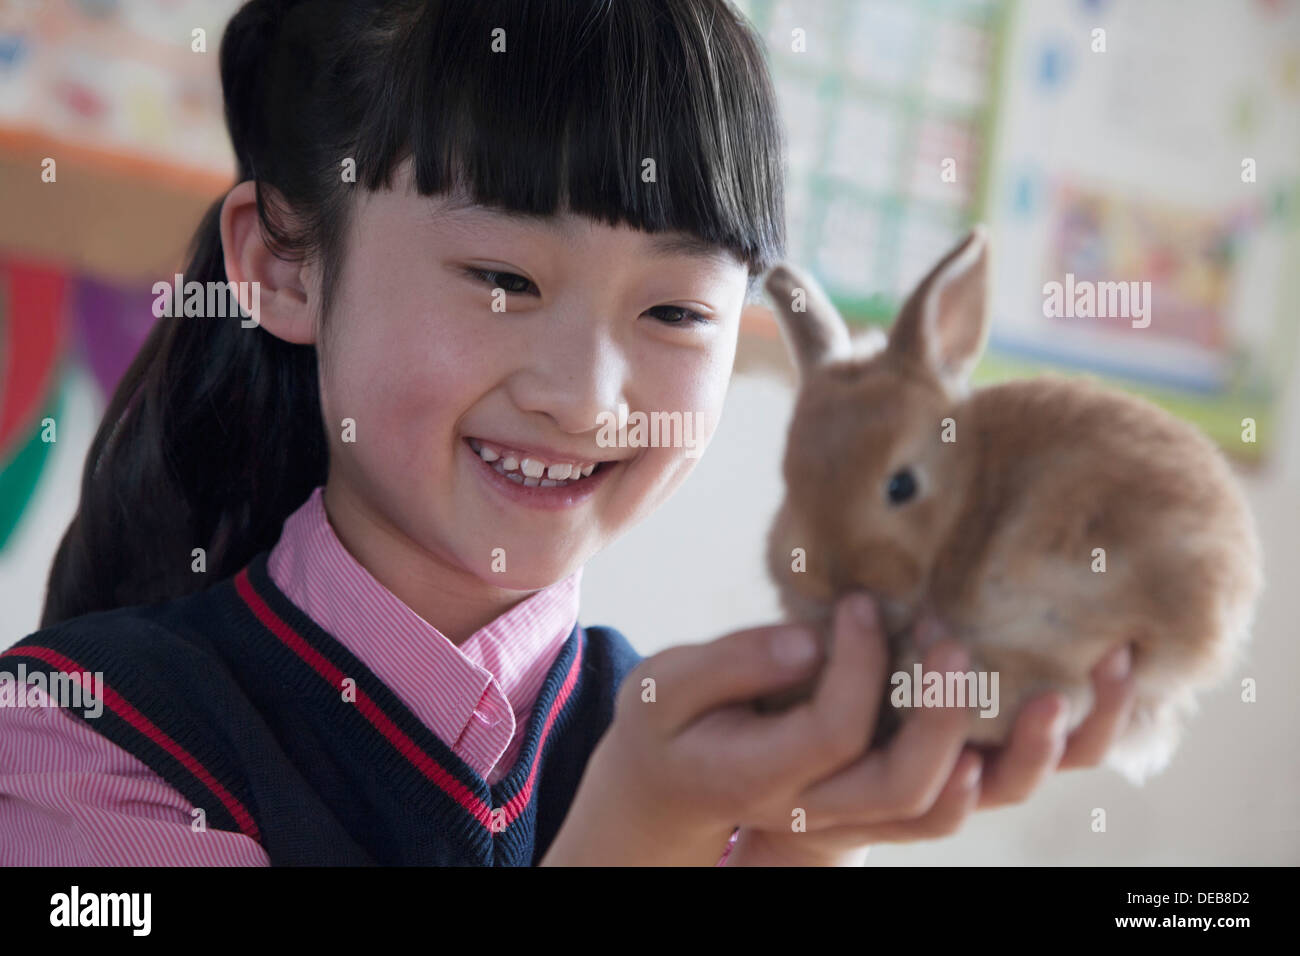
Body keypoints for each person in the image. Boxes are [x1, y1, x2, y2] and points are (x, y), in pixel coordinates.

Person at [0, 0, 1136, 866]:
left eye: (676, 310)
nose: (585, 398)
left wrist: (796, 842)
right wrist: (638, 831)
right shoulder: (75, 743)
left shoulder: (687, 753)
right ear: (283, 263)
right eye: (503, 277)